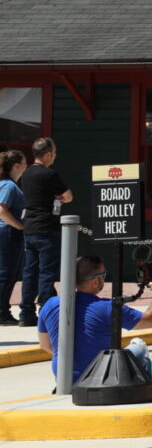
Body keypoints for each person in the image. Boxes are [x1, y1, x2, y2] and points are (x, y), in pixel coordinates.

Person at [38, 254, 152, 385]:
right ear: (95, 281)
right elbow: (151, 320)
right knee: (138, 345)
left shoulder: (50, 304)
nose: (104, 279)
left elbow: (45, 345)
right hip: (102, 379)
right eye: (104, 275)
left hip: (65, 380)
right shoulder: (107, 307)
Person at [18, 137, 72, 329]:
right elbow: (68, 196)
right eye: (54, 153)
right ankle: (47, 312)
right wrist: (59, 197)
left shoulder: (26, 174)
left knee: (29, 271)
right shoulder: (50, 174)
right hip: (47, 228)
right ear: (48, 154)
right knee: (47, 272)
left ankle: (26, 313)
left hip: (29, 227)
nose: (55, 156)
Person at [0, 150, 26, 326]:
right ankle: (2, 312)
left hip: (8, 232)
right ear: (16, 166)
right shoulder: (8, 186)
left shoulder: (9, 184)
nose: (26, 166)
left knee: (9, 274)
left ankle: (3, 310)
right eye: (24, 163)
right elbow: (2, 210)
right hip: (8, 232)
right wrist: (20, 226)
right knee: (6, 274)